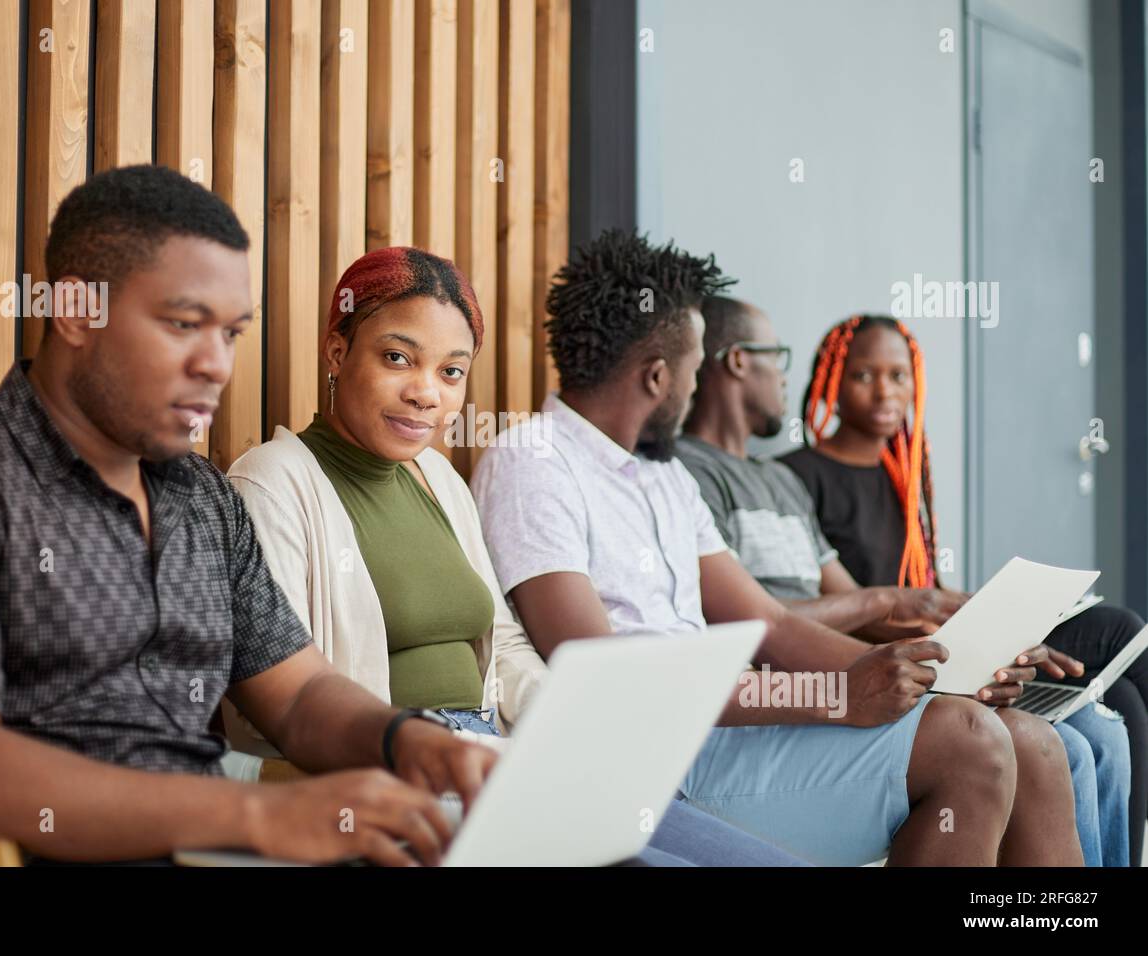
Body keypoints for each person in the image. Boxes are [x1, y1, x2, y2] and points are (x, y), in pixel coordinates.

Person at [0, 165, 496, 867]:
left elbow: (301, 693)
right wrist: (254, 813)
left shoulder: (201, 498)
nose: (216, 365)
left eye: (230, 334)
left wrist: (408, 739)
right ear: (77, 311)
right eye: (186, 325)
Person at [472, 229, 1084, 866]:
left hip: (724, 733)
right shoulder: (533, 463)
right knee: (970, 741)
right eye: (693, 367)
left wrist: (939, 673)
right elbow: (602, 677)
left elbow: (769, 621)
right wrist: (833, 694)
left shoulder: (663, 475)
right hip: (655, 764)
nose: (694, 388)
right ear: (658, 376)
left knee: (1027, 738)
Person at [224, 245, 805, 865]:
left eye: (451, 372)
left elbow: (502, 646)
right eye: (398, 358)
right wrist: (425, 748)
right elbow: (286, 699)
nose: (426, 393)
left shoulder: (438, 481)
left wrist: (566, 730)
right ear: (338, 352)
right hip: (396, 779)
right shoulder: (273, 483)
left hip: (499, 758)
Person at [779, 312, 1141, 866]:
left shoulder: (906, 472)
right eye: (864, 375)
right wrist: (937, 623)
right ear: (829, 380)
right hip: (913, 650)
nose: (885, 391)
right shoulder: (797, 475)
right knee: (1114, 651)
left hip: (944, 630)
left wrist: (987, 613)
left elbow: (925, 583)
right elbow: (851, 606)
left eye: (899, 376)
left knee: (1119, 695)